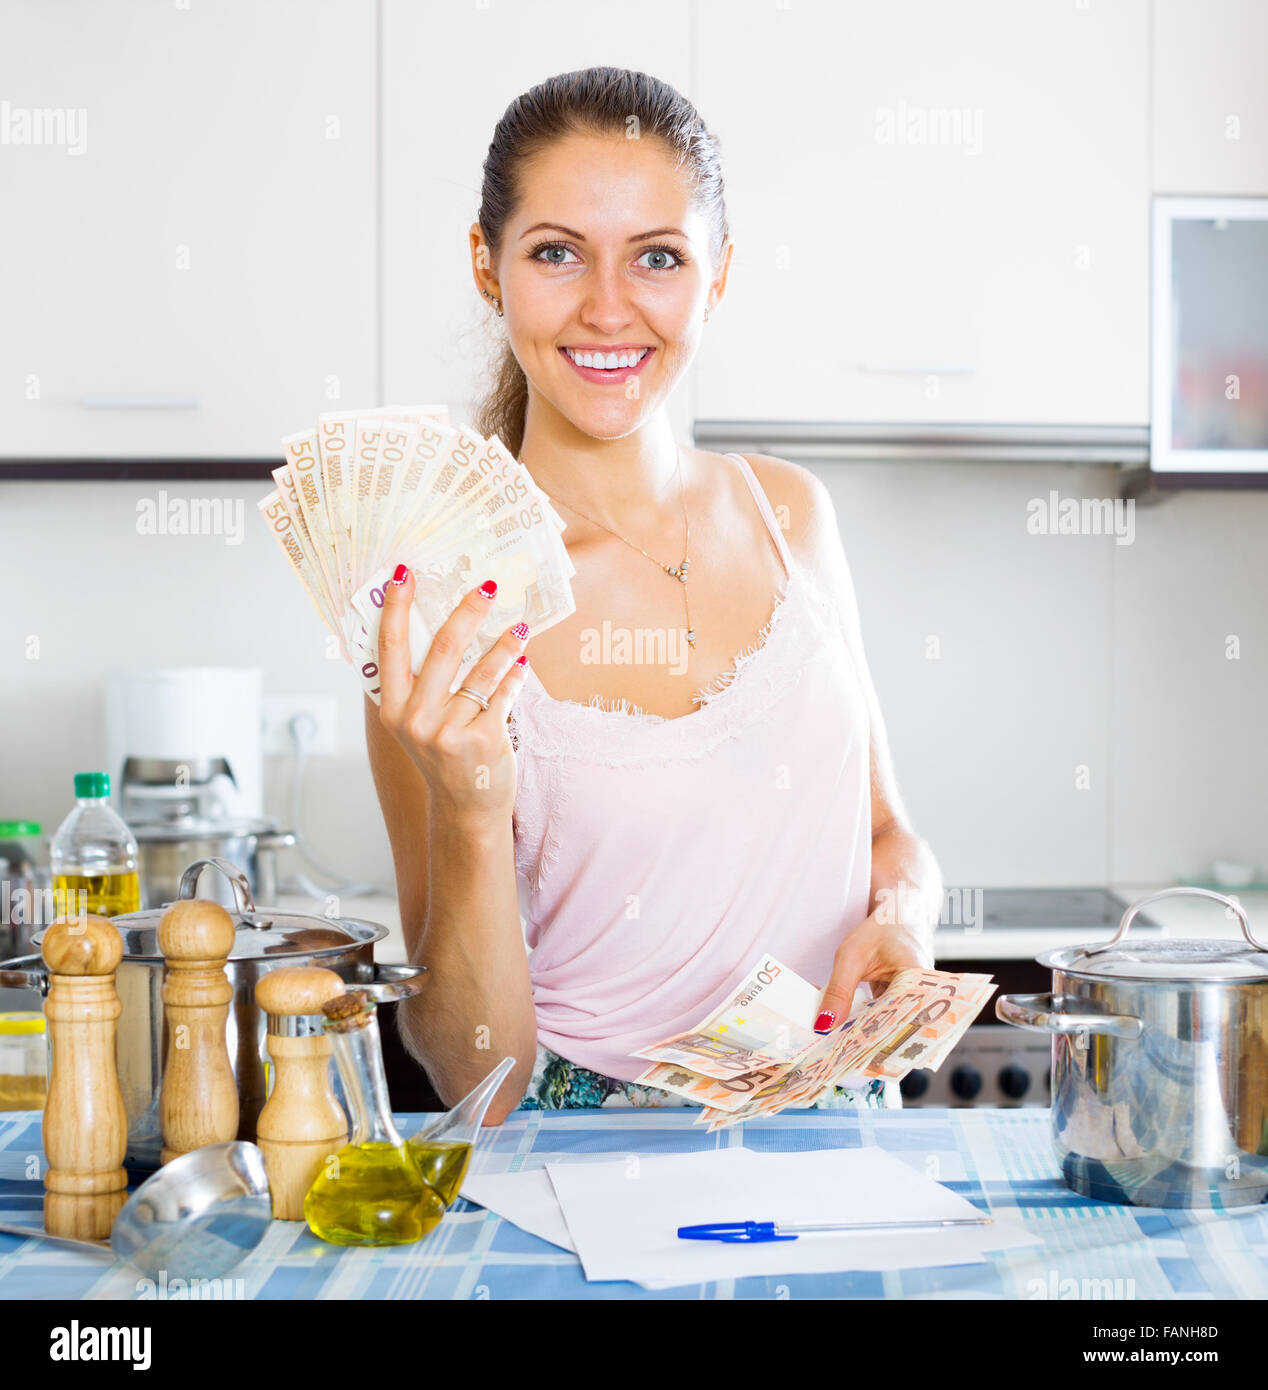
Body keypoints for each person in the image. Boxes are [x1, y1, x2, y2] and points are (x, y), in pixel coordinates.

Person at [365, 67, 942, 1123]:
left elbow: (889, 835)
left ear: (716, 275)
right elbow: (468, 1075)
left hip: (841, 1153)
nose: (605, 308)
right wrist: (470, 803)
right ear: (486, 265)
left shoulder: (792, 514)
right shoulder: (441, 614)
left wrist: (901, 917)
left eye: (657, 259)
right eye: (554, 253)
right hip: (579, 1178)